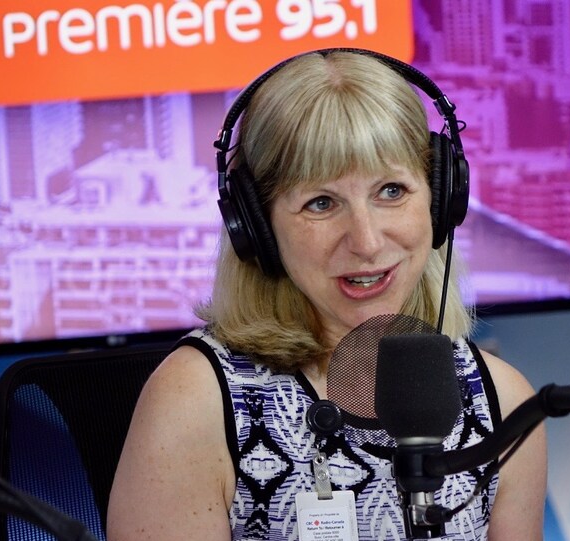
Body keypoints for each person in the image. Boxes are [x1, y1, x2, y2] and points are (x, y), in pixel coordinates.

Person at [107, 49, 546, 541]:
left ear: (440, 200)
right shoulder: (195, 401)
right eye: (321, 202)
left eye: (392, 191)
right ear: (257, 228)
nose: (367, 241)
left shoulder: (502, 403)